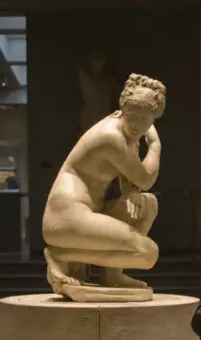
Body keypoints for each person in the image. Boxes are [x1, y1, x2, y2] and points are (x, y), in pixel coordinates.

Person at [42, 74, 165, 294]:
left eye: (144, 119)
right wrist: (155, 145)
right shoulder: (112, 137)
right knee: (148, 254)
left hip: (87, 212)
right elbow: (145, 179)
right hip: (65, 216)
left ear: (153, 118)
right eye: (131, 116)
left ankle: (113, 275)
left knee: (149, 204)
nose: (136, 125)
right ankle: (60, 255)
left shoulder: (127, 134)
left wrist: (133, 192)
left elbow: (132, 183)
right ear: (123, 110)